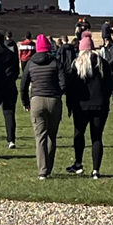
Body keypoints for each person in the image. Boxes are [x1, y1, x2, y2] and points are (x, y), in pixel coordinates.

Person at [65, 32, 113, 179]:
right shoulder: (102, 64)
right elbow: (110, 85)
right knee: (97, 137)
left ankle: (78, 163)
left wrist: (69, 105)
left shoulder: (76, 64)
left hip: (81, 106)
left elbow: (70, 87)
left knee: (79, 134)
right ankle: (96, 170)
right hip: (100, 106)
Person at [20, 33, 66, 180]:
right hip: (53, 100)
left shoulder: (30, 63)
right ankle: (49, 167)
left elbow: (23, 85)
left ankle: (42, 171)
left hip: (36, 100)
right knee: (52, 136)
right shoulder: (56, 62)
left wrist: (25, 102)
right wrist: (57, 93)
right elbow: (64, 83)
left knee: (40, 137)